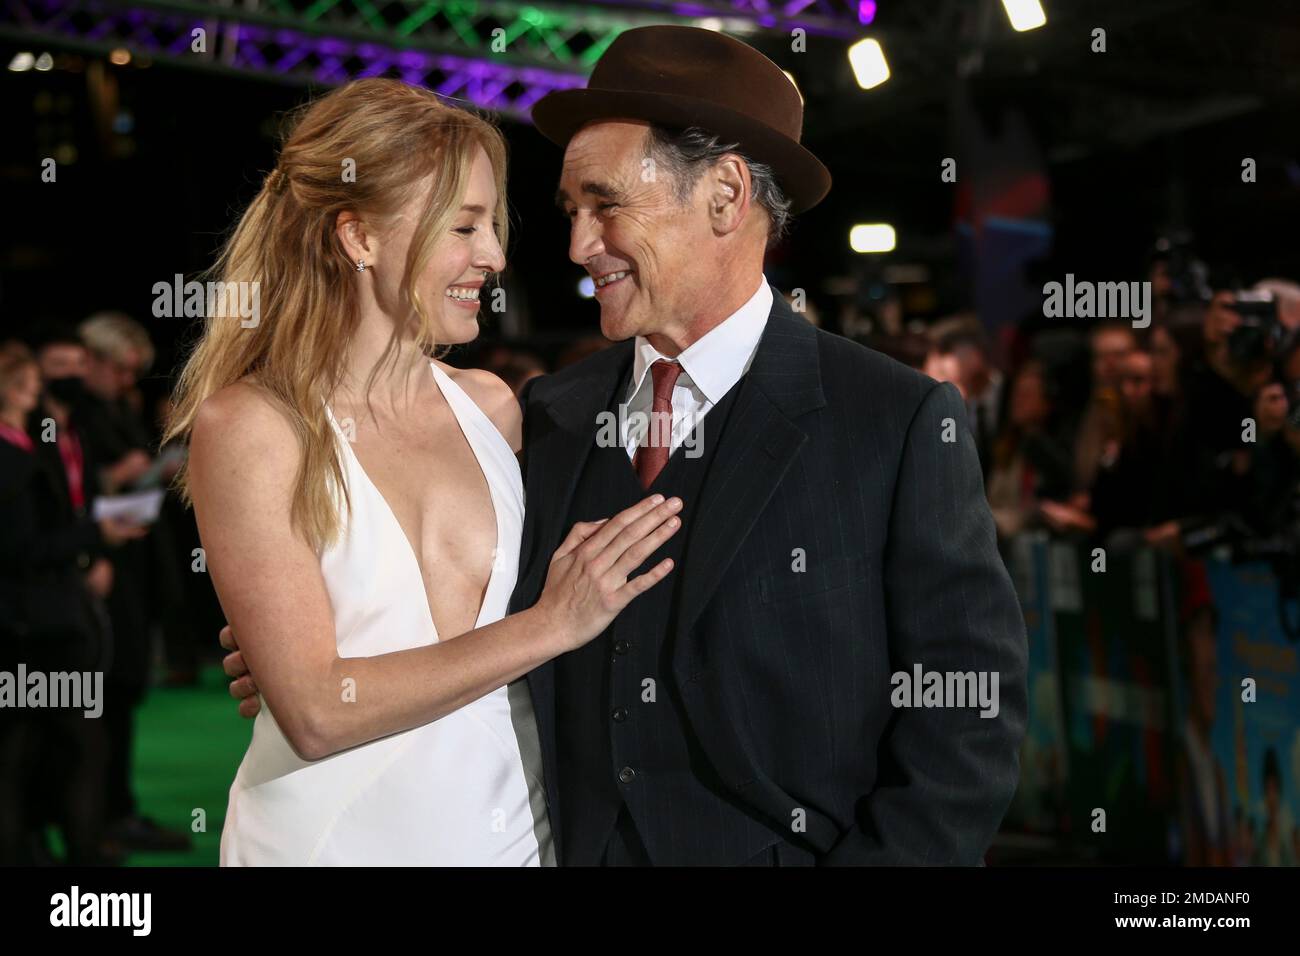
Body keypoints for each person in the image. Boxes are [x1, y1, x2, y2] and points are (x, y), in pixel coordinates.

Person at [229, 26, 1027, 866]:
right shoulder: (545, 415)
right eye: (573, 211)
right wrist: (312, 648)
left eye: (607, 205)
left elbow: (966, 717)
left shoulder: (893, 421)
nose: (577, 246)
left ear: (724, 196)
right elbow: (465, 613)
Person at [167, 78, 681, 865]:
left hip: (515, 842)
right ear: (360, 237)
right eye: (464, 226)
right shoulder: (251, 428)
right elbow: (313, 712)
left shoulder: (498, 410)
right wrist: (547, 625)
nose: (495, 256)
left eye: (492, 225)